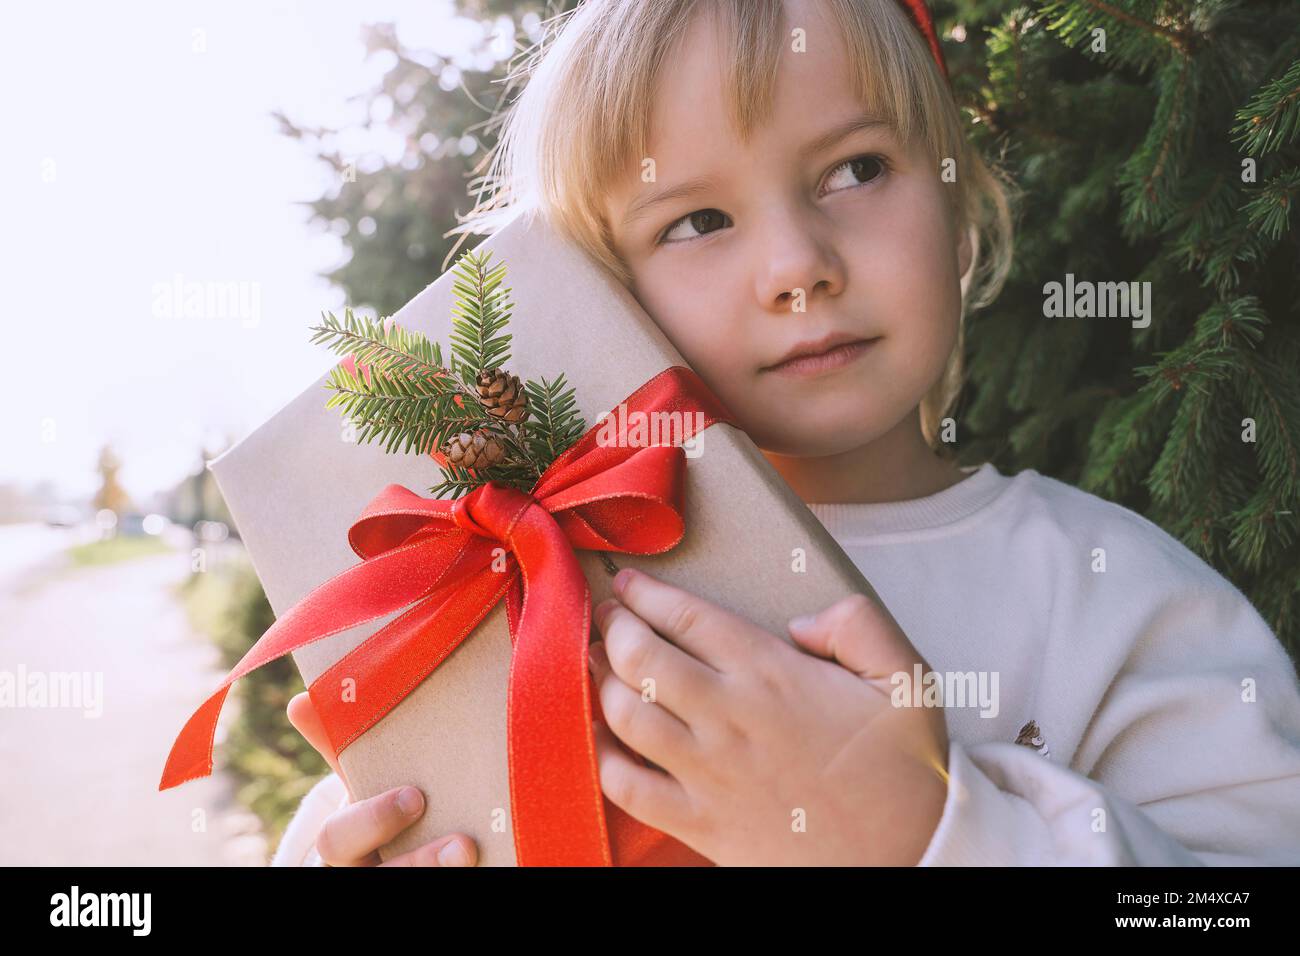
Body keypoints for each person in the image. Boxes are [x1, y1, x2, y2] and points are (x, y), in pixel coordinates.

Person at [270, 0, 1300, 866]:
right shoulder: (528, 592)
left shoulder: (1113, 594)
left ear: (960, 202)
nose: (797, 264)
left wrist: (920, 830)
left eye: (856, 168)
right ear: (598, 294)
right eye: (698, 221)